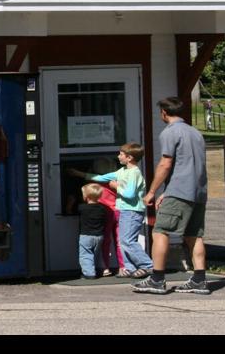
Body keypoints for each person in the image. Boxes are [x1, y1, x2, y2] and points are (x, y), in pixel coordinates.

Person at [132, 96, 211, 295]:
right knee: (194, 235)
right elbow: (188, 165)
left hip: (179, 192)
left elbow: (166, 164)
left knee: (160, 231)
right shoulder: (195, 133)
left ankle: (157, 279)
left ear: (164, 113)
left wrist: (152, 192)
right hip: (198, 192)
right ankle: (199, 279)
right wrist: (166, 192)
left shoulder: (170, 132)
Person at [86, 143, 153, 278]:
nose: (118, 156)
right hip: (124, 210)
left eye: (121, 154)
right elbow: (102, 178)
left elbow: (130, 194)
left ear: (129, 158)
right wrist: (81, 174)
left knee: (128, 241)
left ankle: (148, 265)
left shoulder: (134, 173)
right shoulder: (122, 171)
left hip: (132, 211)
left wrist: (116, 186)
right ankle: (129, 268)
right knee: (123, 241)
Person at [77, 183, 113, 278]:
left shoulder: (82, 208)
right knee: (95, 254)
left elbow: (71, 210)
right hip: (99, 236)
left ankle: (89, 274)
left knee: (86, 255)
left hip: (86, 236)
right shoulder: (103, 208)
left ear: (86, 196)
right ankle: (99, 269)